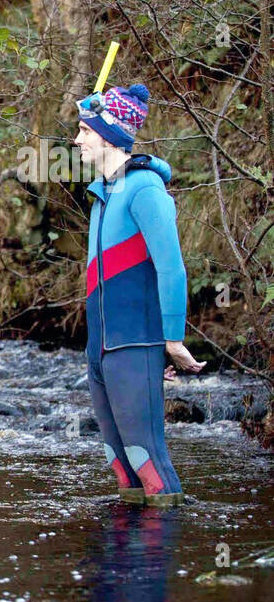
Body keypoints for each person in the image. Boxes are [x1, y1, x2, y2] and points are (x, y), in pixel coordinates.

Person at [74, 82, 204, 506]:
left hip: (136, 343)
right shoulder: (101, 196)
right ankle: (122, 567)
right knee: (119, 462)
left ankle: (155, 565)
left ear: (109, 136)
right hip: (102, 349)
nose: (76, 140)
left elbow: (171, 266)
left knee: (146, 457)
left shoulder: (146, 188)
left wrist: (172, 339)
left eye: (85, 130)